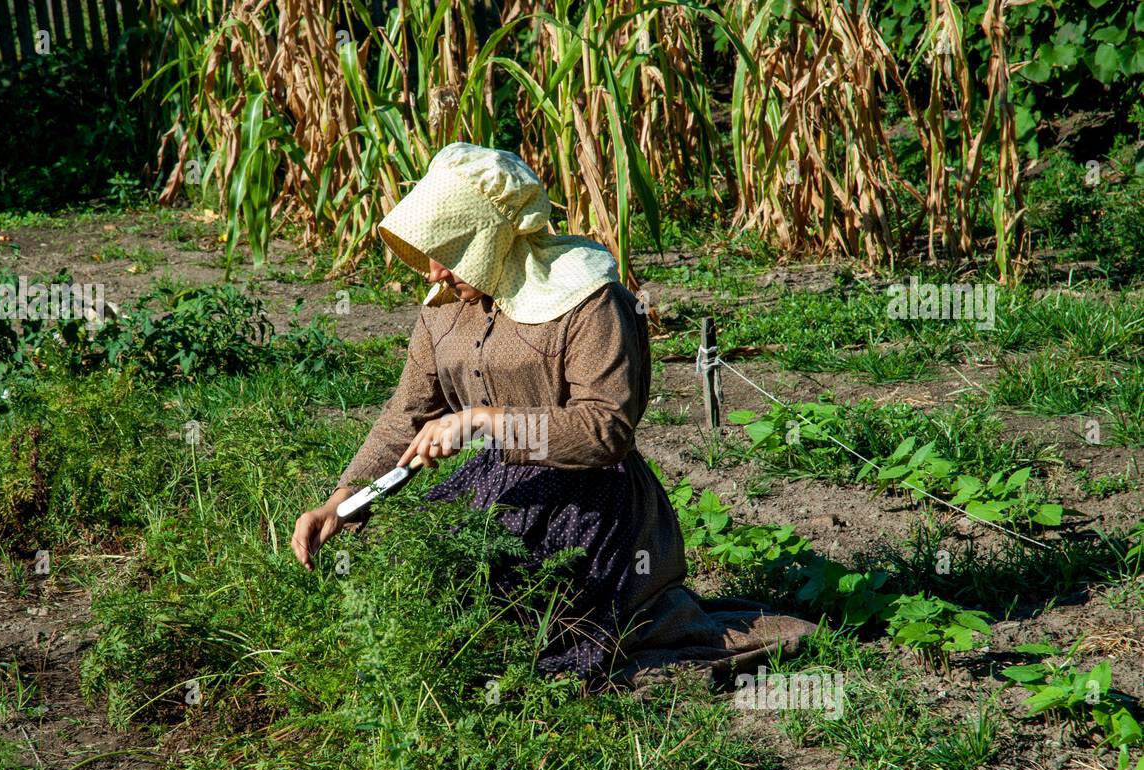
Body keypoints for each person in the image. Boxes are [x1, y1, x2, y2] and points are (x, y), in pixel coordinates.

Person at [291, 142, 815, 689]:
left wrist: (485, 422)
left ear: (492, 238)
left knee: (552, 654)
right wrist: (342, 502)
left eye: (450, 251)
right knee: (431, 610)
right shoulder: (444, 312)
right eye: (430, 251)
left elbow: (604, 431)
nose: (435, 271)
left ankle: (656, 621)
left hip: (593, 500)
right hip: (492, 490)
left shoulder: (590, 300)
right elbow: (406, 416)